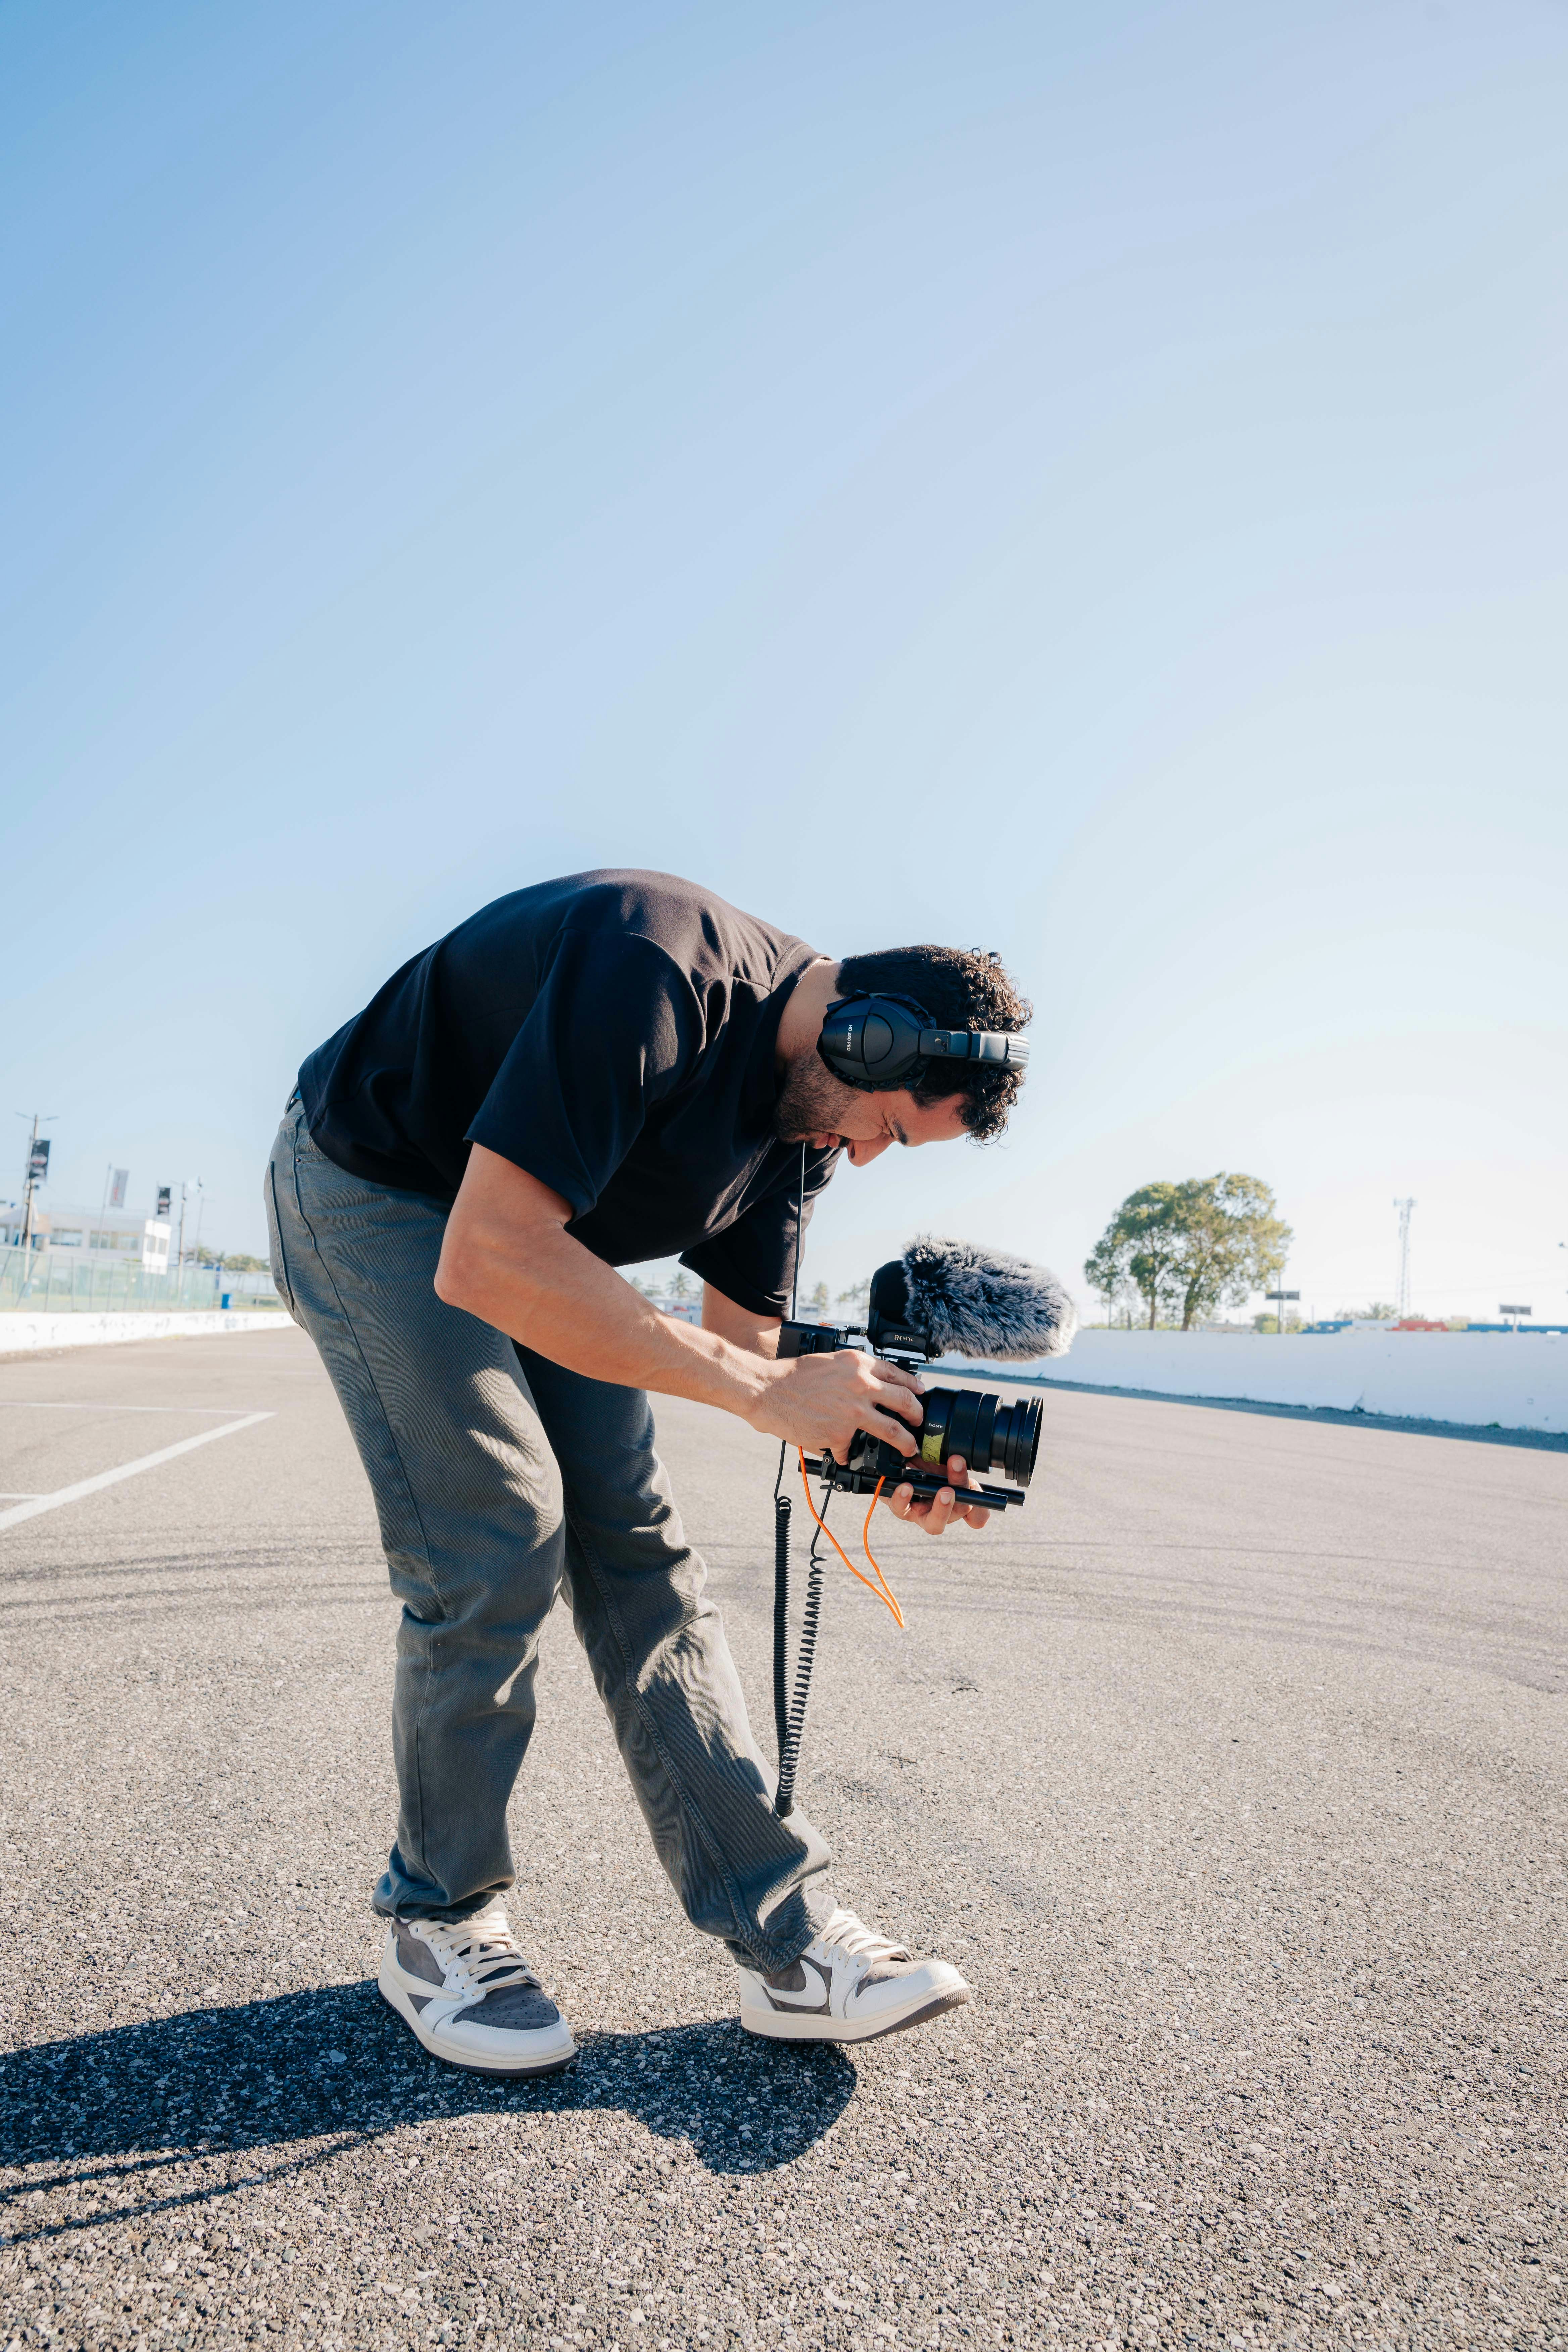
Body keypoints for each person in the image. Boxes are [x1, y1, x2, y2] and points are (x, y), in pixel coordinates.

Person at [264, 869, 1030, 2074]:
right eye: (886, 1127)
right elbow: (488, 1254)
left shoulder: (799, 1128)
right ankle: (436, 1920)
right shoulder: (654, 965)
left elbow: (751, 1347)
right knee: (500, 1527)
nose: (866, 1158)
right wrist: (770, 1393)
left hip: (528, 1238)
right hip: (381, 1189)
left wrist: (888, 1441)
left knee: (642, 1549)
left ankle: (788, 1943)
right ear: (862, 1035)